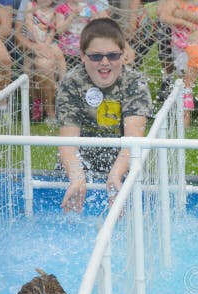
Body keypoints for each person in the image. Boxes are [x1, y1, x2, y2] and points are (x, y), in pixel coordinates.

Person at [55, 17, 152, 212]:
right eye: (96, 56)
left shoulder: (134, 82)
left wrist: (115, 175)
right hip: (80, 168)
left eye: (113, 55)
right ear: (82, 55)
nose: (105, 63)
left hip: (124, 167)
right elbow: (68, 142)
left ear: (123, 54)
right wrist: (76, 176)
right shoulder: (72, 82)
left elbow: (133, 141)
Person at [17, 0, 67, 125]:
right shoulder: (30, 5)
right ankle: (35, 102)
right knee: (28, 71)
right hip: (32, 41)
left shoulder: (55, 10)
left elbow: (52, 31)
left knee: (58, 56)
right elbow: (28, 23)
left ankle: (62, 82)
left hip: (47, 43)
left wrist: (45, 45)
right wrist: (37, 44)